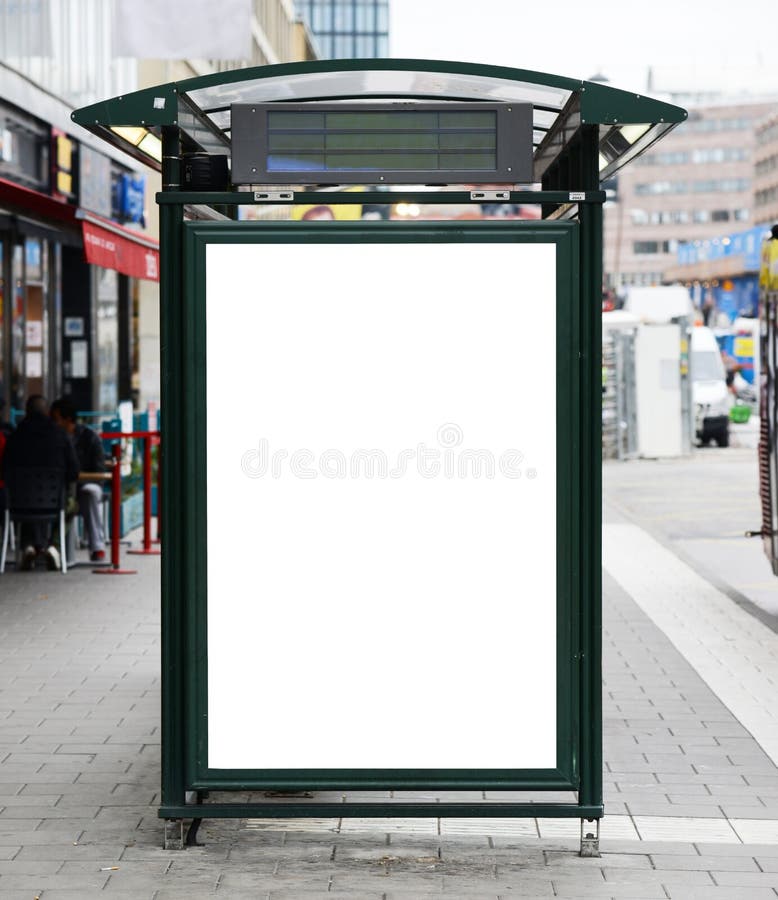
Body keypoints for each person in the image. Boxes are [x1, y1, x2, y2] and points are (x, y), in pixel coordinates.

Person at [1, 395, 79, 570]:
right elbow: (74, 473)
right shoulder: (61, 436)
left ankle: (28, 546)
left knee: (28, 497)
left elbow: (4, 471)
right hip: (54, 504)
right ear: (47, 412)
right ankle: (54, 546)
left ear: (26, 412)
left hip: (17, 505)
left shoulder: (14, 437)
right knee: (71, 505)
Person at [50, 397, 107, 562]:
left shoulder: (89, 438)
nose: (53, 423)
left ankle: (97, 547)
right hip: (60, 488)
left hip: (86, 487)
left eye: (55, 419)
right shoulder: (53, 439)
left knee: (89, 492)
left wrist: (79, 477)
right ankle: (51, 548)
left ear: (67, 419)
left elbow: (99, 471)